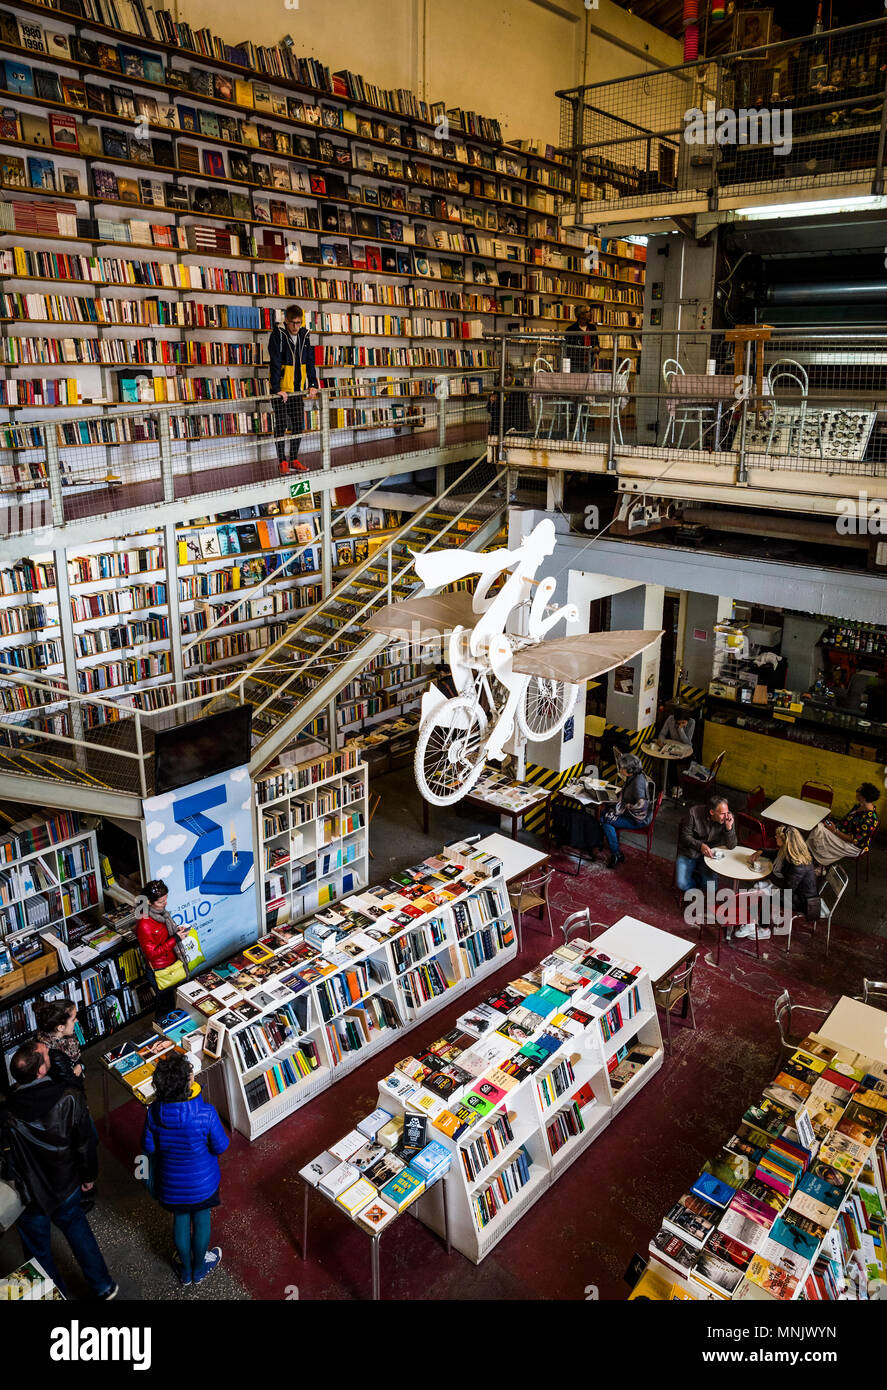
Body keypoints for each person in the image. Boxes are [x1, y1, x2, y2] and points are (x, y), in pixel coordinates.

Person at [0, 1040, 117, 1299]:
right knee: (77, 1228)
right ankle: (103, 1285)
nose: (48, 1053)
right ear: (41, 1071)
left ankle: (51, 1296)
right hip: (66, 1183)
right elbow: (84, 1143)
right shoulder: (69, 1097)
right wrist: (88, 1177)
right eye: (45, 1054)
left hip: (30, 1195)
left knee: (36, 1251)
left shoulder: (7, 1114)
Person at [142, 1051, 229, 1287]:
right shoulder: (206, 1113)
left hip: (170, 1184)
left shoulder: (153, 1113)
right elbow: (221, 1146)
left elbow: (148, 1146)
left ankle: (185, 1271)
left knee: (180, 1220)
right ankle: (200, 1268)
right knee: (202, 1220)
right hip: (204, 1184)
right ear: (186, 1084)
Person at [268, 304, 318, 475]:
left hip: (297, 390)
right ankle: (282, 461)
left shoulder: (305, 334)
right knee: (281, 426)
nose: (296, 327)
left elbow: (310, 361)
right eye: (293, 323)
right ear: (286, 321)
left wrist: (312, 384)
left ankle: (294, 459)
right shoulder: (278, 335)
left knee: (298, 425)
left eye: (299, 323)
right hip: (281, 391)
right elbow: (274, 362)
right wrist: (276, 389)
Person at [135, 879, 190, 1021]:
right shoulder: (144, 924)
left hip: (172, 963)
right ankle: (162, 1031)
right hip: (161, 971)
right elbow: (152, 954)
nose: (165, 904)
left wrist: (176, 931)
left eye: (165, 900)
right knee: (165, 1006)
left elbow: (163, 934)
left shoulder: (161, 914)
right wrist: (175, 939)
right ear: (148, 902)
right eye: (160, 902)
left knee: (174, 1002)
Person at [806, 783, 880, 869]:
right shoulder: (860, 806)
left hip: (853, 846)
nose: (856, 792)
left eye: (858, 791)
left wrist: (834, 830)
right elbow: (847, 822)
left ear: (863, 797)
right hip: (842, 832)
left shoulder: (869, 820)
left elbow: (853, 840)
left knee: (818, 831)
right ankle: (818, 859)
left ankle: (819, 863)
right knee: (820, 827)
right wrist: (834, 827)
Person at [676, 793, 737, 895]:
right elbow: (685, 836)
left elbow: (732, 845)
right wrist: (700, 846)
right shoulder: (693, 813)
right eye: (722, 813)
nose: (726, 816)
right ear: (712, 812)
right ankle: (695, 884)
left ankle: (699, 878)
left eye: (727, 812)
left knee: (712, 888)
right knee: (682, 884)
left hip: (710, 856)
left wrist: (729, 828)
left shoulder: (728, 818)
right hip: (690, 851)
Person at [601, 754, 652, 867]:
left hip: (638, 819)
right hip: (632, 813)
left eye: (621, 768)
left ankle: (616, 853)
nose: (619, 769)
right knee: (605, 815)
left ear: (629, 770)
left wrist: (622, 807)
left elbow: (641, 807)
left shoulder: (637, 784)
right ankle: (616, 853)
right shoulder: (636, 775)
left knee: (605, 819)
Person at [563, 305, 599, 374]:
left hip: (589, 363)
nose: (590, 313)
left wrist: (596, 348)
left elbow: (596, 343)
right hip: (576, 364)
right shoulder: (571, 330)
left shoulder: (592, 328)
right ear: (581, 315)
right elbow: (568, 349)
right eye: (587, 312)